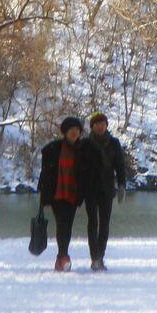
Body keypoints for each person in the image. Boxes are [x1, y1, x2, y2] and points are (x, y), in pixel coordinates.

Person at [78, 110, 130, 271]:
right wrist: (79, 189)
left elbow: (120, 166)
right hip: (90, 189)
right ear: (92, 127)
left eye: (103, 124)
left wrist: (122, 185)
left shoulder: (113, 143)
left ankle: (100, 256)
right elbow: (79, 168)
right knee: (92, 224)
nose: (100, 127)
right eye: (97, 124)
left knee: (105, 225)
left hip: (107, 189)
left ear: (106, 125)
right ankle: (94, 258)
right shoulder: (85, 144)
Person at [36, 116, 85, 271]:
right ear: (65, 131)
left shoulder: (83, 149)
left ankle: (62, 256)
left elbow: (87, 173)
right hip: (57, 193)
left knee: (68, 225)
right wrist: (43, 195)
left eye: (77, 130)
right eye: (71, 130)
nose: (74, 133)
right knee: (62, 224)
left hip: (73, 193)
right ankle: (63, 256)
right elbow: (45, 173)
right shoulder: (53, 148)